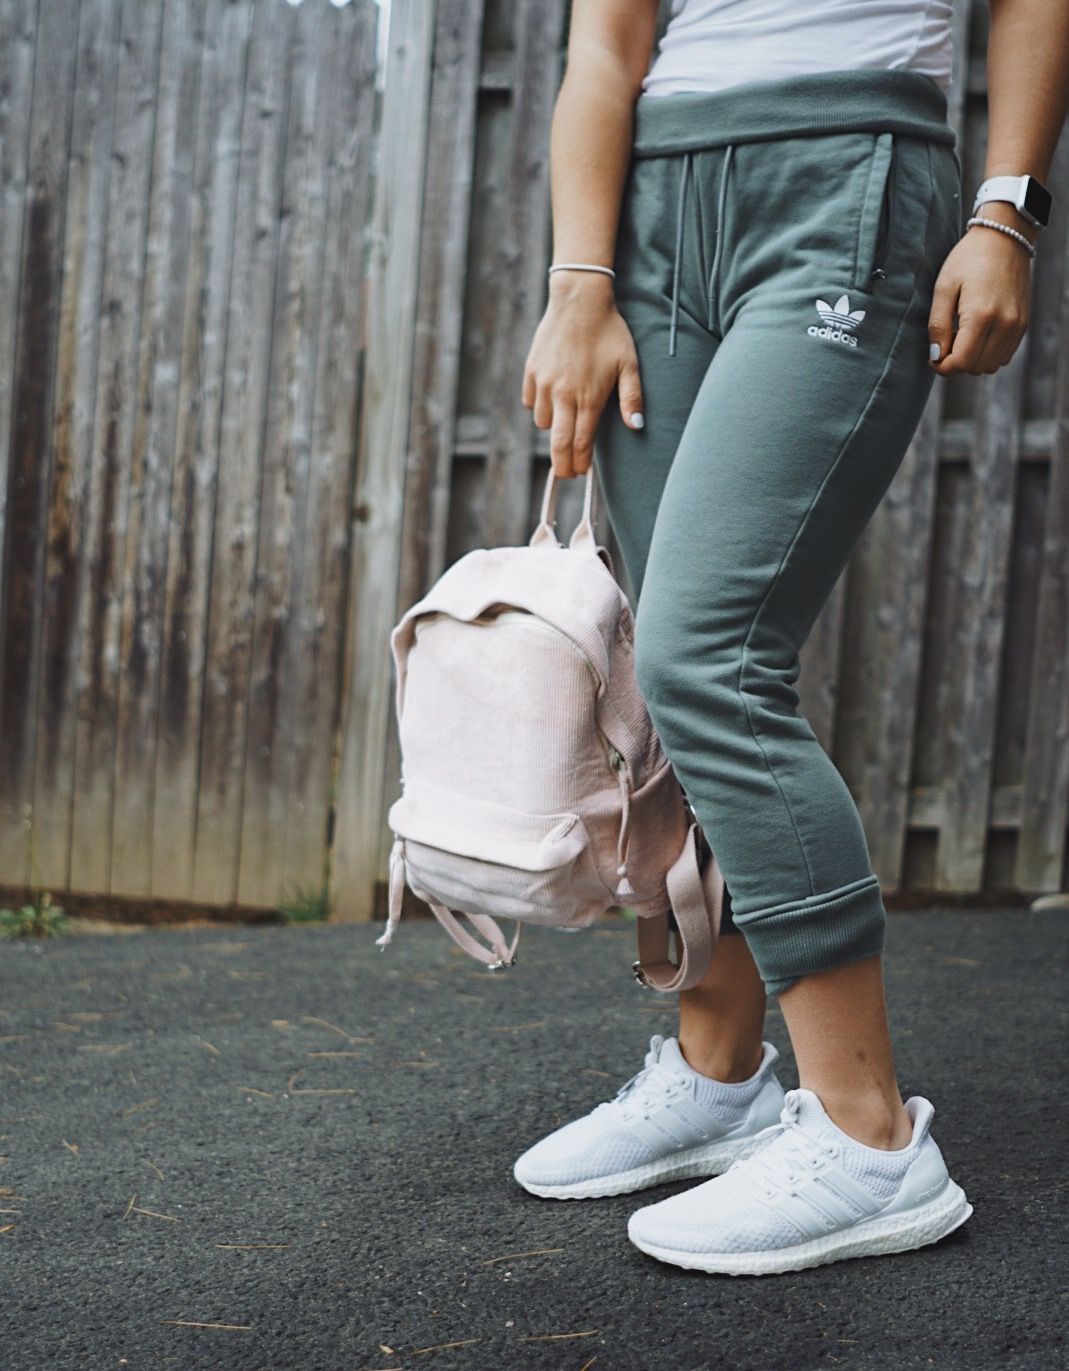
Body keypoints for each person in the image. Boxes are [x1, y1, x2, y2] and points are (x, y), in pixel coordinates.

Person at [514, 0, 1069, 1276]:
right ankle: (719, 1074)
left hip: (850, 173)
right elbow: (604, 45)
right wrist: (578, 279)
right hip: (652, 208)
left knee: (709, 655)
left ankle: (870, 1140)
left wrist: (1006, 211)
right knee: (658, 664)